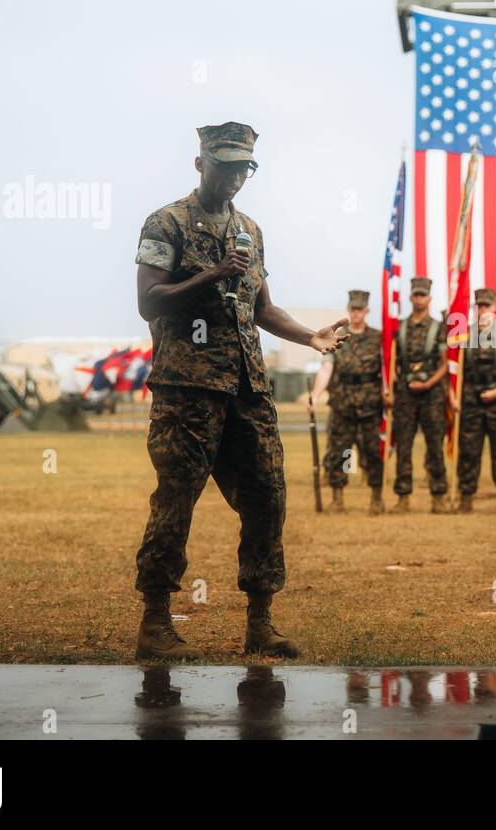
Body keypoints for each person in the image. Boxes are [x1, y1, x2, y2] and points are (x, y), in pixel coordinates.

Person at [131, 121, 348, 661]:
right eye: (225, 164)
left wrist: (308, 336)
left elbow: (262, 307)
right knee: (176, 500)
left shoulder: (249, 229)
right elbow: (150, 301)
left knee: (267, 498)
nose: (234, 176)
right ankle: (155, 624)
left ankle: (261, 622)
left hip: (248, 390)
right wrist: (213, 273)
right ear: (200, 161)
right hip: (188, 390)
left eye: (243, 167)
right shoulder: (168, 222)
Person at [310, 290, 387, 515]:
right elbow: (327, 367)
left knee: (372, 452)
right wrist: (315, 394)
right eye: (353, 309)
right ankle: (338, 497)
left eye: (360, 309)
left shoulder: (378, 337)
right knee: (341, 452)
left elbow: (387, 367)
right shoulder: (337, 337)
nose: (356, 313)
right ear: (348, 309)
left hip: (370, 405)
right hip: (342, 404)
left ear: (367, 310)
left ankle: (376, 497)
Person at [451, 288, 496, 514]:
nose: (482, 310)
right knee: (469, 451)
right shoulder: (462, 335)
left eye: (486, 306)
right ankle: (466, 498)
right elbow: (453, 367)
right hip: (470, 399)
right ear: (474, 307)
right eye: (479, 306)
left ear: (494, 307)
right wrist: (453, 396)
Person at [390, 276, 451, 514]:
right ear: (410, 297)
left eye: (423, 295)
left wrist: (429, 384)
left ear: (429, 298)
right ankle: (403, 497)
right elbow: (393, 359)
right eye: (415, 294)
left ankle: (439, 496)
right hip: (405, 394)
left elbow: (446, 364)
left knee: (435, 445)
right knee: (403, 445)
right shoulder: (399, 327)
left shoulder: (439, 327)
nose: (419, 298)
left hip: (431, 395)